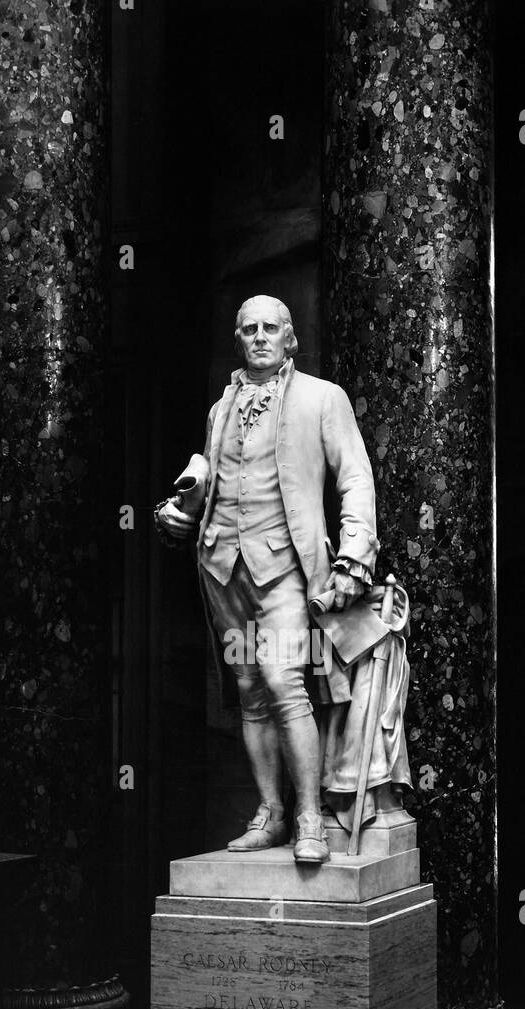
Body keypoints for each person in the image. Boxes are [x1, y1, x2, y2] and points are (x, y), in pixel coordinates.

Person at [155, 294, 379, 863]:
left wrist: (354, 557)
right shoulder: (219, 410)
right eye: (248, 328)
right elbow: (210, 480)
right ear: (238, 339)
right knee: (250, 692)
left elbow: (354, 478)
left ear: (290, 339)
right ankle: (270, 812)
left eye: (270, 328)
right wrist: (181, 513)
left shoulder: (323, 399)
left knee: (284, 681)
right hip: (221, 565)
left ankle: (308, 816)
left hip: (284, 567)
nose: (259, 337)